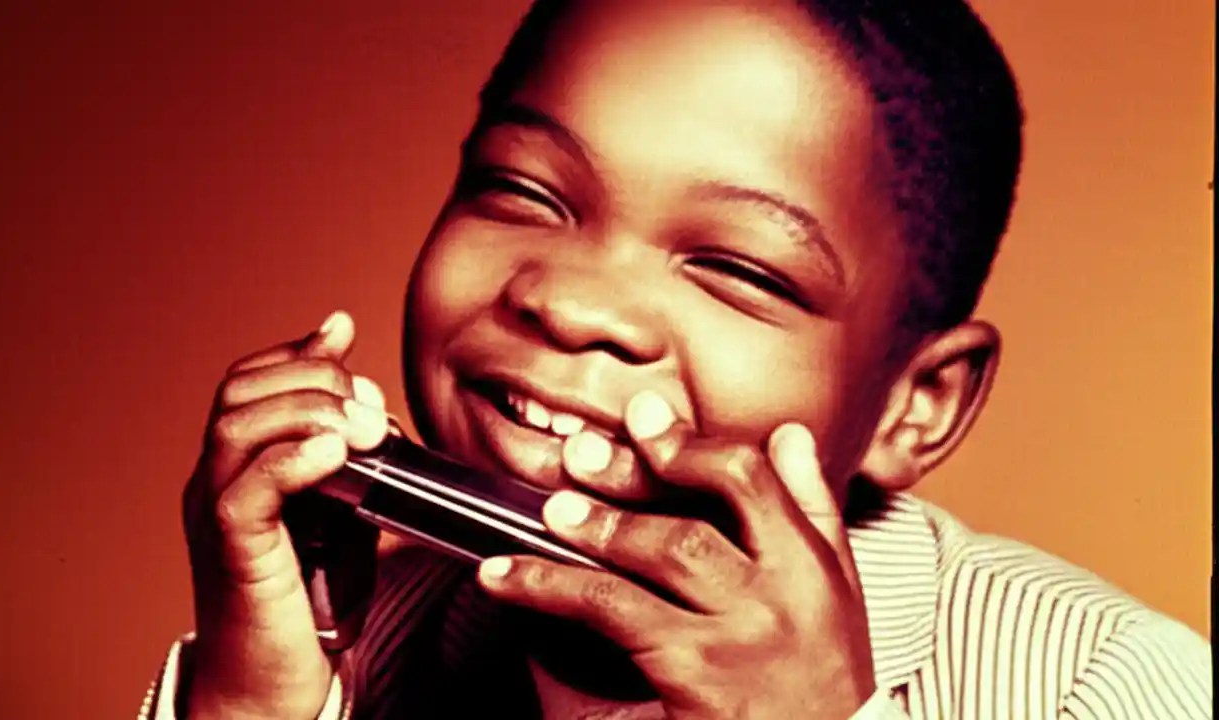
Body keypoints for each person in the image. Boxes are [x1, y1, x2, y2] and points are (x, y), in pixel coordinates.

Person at [140, 1, 1213, 718]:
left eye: (738, 269)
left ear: (915, 405)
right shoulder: (353, 637)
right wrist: (250, 703)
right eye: (523, 192)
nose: (568, 303)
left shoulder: (1102, 682)